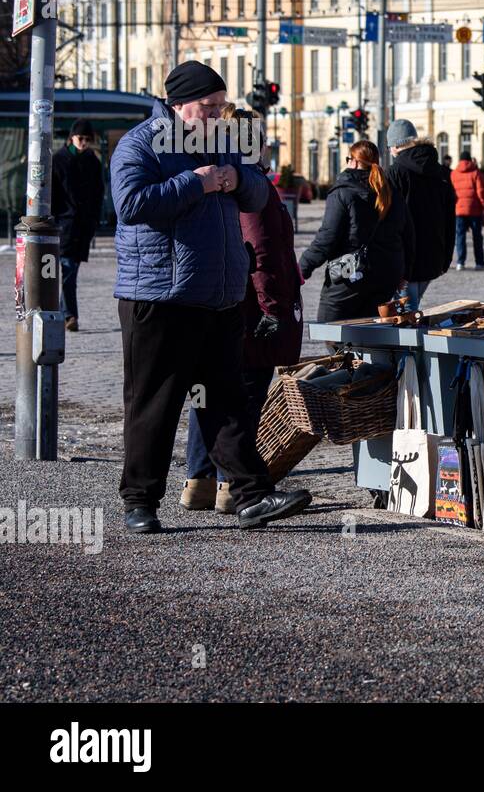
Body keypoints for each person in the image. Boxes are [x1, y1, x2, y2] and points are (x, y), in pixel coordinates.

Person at [111, 60, 311, 534]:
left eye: (223, 105)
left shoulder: (223, 143)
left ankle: (251, 497)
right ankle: (140, 502)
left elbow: (261, 194)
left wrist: (238, 180)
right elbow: (132, 204)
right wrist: (196, 182)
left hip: (219, 298)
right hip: (159, 298)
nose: (220, 114)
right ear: (179, 105)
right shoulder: (140, 143)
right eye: (210, 106)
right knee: (154, 404)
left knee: (227, 402)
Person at [183, 107, 304, 514]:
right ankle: (229, 486)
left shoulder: (217, 180)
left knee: (207, 396)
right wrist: (273, 309)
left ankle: (197, 481)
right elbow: (263, 253)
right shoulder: (252, 188)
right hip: (251, 310)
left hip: (220, 302)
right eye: (264, 137)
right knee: (242, 400)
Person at [300, 140, 413, 321]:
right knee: (370, 328)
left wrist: (302, 269)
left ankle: (349, 350)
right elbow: (408, 235)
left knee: (329, 328)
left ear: (353, 161)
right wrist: (404, 273)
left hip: (351, 274)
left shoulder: (343, 192)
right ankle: (359, 350)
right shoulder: (391, 191)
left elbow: (327, 238)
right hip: (387, 273)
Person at [385, 119, 455, 308]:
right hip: (434, 254)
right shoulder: (440, 172)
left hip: (406, 257)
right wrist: (446, 256)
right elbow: (450, 218)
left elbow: (388, 217)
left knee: (406, 315)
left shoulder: (395, 172)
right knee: (410, 309)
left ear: (396, 146)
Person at [51, 118, 105, 332]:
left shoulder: (93, 161)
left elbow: (98, 193)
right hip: (63, 225)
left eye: (88, 139)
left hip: (82, 227)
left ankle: (65, 312)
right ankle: (68, 314)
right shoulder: (59, 160)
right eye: (81, 138)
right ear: (72, 138)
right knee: (67, 270)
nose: (84, 142)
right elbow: (53, 194)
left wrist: (93, 220)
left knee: (69, 270)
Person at [448, 151, 484, 270]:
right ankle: (479, 262)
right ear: (470, 160)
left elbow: (451, 192)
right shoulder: (476, 172)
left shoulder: (454, 174)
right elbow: (481, 192)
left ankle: (460, 262)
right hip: (474, 210)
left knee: (460, 236)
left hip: (459, 210)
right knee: (477, 236)